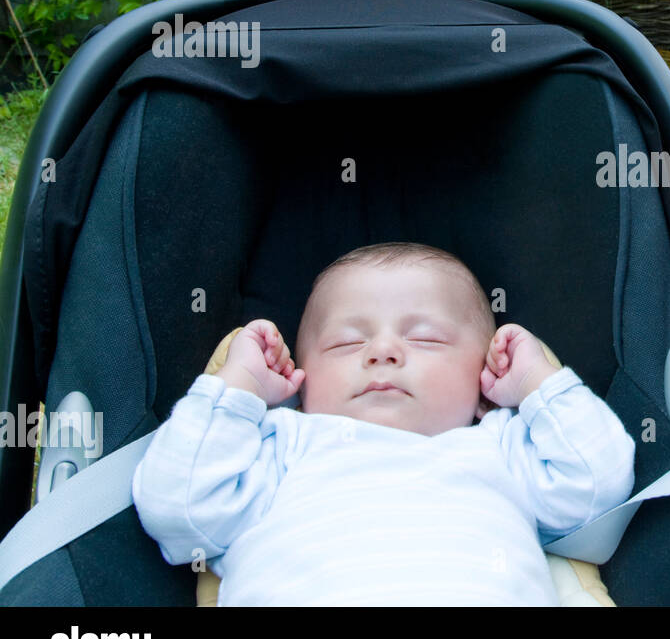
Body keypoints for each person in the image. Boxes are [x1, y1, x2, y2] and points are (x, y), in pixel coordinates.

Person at [132, 241, 636, 605]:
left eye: (427, 339)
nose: (383, 351)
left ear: (485, 379)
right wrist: (240, 386)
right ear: (301, 384)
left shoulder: (502, 446)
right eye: (346, 342)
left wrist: (537, 384)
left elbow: (599, 487)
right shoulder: (276, 448)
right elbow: (176, 509)